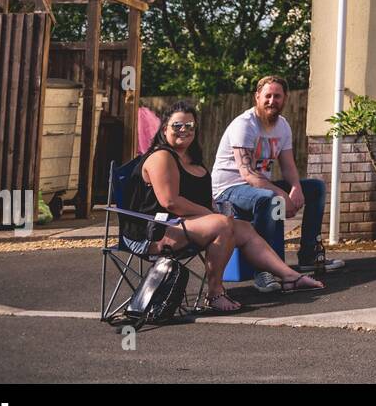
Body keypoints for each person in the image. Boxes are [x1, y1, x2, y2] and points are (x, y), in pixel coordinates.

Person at [122, 101, 323, 313]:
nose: (184, 130)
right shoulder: (161, 156)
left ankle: (290, 276)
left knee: (243, 227)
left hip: (180, 225)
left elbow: (203, 200)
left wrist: (215, 213)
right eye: (177, 125)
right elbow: (170, 202)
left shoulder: (193, 159)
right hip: (151, 232)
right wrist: (212, 216)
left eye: (190, 126)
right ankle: (215, 293)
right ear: (164, 129)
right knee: (221, 224)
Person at [211, 76, 343, 292]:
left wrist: (296, 189)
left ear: (285, 99)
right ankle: (263, 271)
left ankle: (308, 255)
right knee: (270, 199)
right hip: (229, 188)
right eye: (268, 96)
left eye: (277, 96)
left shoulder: (282, 126)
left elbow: (288, 165)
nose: (272, 101)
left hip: (258, 185)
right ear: (257, 97)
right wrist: (282, 194)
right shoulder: (245, 125)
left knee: (315, 188)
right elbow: (247, 173)